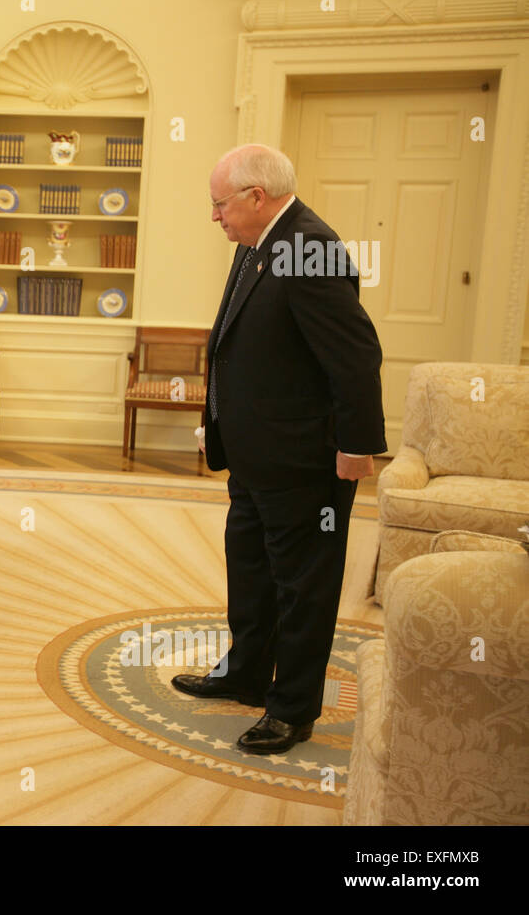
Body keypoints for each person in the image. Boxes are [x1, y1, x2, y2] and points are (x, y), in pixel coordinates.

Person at [173, 143, 386, 755]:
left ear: (255, 197)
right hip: (256, 454)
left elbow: (355, 356)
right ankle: (246, 672)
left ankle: (291, 708)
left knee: (303, 585)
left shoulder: (308, 248)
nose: (215, 216)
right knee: (251, 566)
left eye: (220, 204)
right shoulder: (259, 242)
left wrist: (357, 446)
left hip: (304, 461)